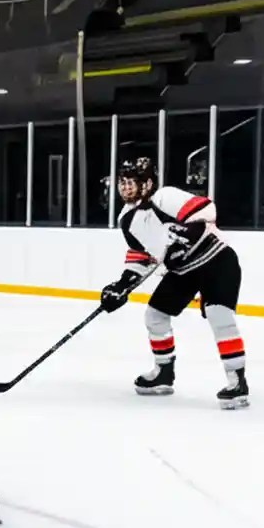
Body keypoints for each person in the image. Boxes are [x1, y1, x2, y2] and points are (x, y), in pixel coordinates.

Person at [99, 157, 248, 409]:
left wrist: (186, 231)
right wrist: (122, 284)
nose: (125, 188)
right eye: (122, 183)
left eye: (131, 182)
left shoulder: (165, 197)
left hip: (216, 260)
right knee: (155, 316)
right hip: (183, 271)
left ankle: (237, 382)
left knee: (219, 316)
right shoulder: (127, 218)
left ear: (147, 183)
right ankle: (163, 374)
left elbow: (206, 209)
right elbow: (141, 255)